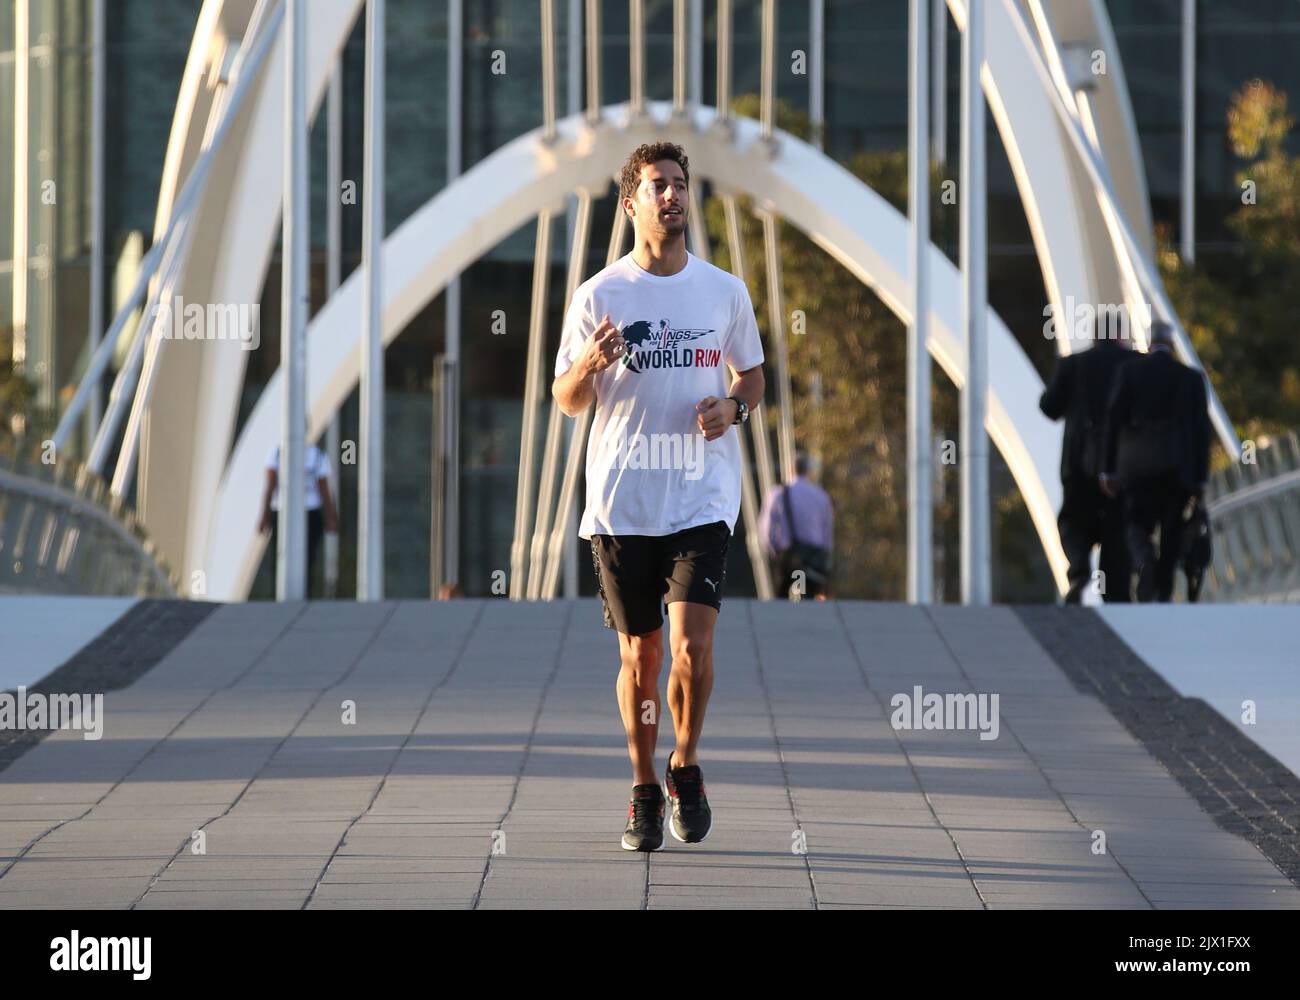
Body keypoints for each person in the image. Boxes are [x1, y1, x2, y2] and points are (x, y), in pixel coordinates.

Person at [552, 142, 766, 852]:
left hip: (701, 498)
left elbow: (754, 376)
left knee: (690, 646)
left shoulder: (723, 291)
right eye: (657, 186)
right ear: (631, 202)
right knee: (639, 660)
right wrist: (588, 362)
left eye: (679, 185)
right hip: (622, 503)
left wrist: (733, 410)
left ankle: (687, 762)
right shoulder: (599, 296)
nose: (672, 196)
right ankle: (645, 784)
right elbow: (568, 400)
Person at [1101, 320, 1212, 602]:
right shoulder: (1191, 378)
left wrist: (1108, 468)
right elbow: (1201, 431)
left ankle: (1144, 559)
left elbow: (1113, 421)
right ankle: (1163, 590)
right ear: (1173, 345)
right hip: (1177, 467)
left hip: (1135, 466)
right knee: (1172, 527)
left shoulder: (1129, 372)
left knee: (1135, 522)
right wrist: (1201, 477)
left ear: (1148, 344)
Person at [1038, 317, 1134, 603]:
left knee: (1073, 521)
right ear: (1118, 333)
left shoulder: (1073, 365)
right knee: (1117, 527)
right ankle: (1115, 592)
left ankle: (1079, 569)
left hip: (1079, 463)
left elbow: (1048, 407)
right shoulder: (1134, 364)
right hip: (1121, 464)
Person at [259, 440, 338, 597]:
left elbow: (324, 488)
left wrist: (331, 517)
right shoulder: (276, 454)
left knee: (308, 556)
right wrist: (265, 516)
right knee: (280, 555)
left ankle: (304, 594)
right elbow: (270, 486)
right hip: (282, 512)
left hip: (310, 512)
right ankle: (279, 594)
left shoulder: (316, 455)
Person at [759, 450, 833, 599]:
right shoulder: (821, 496)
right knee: (808, 600)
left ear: (790, 469)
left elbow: (767, 529)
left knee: (781, 600)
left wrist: (774, 551)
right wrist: (825, 558)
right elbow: (827, 533)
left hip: (787, 557)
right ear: (808, 470)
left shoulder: (778, 494)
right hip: (813, 558)